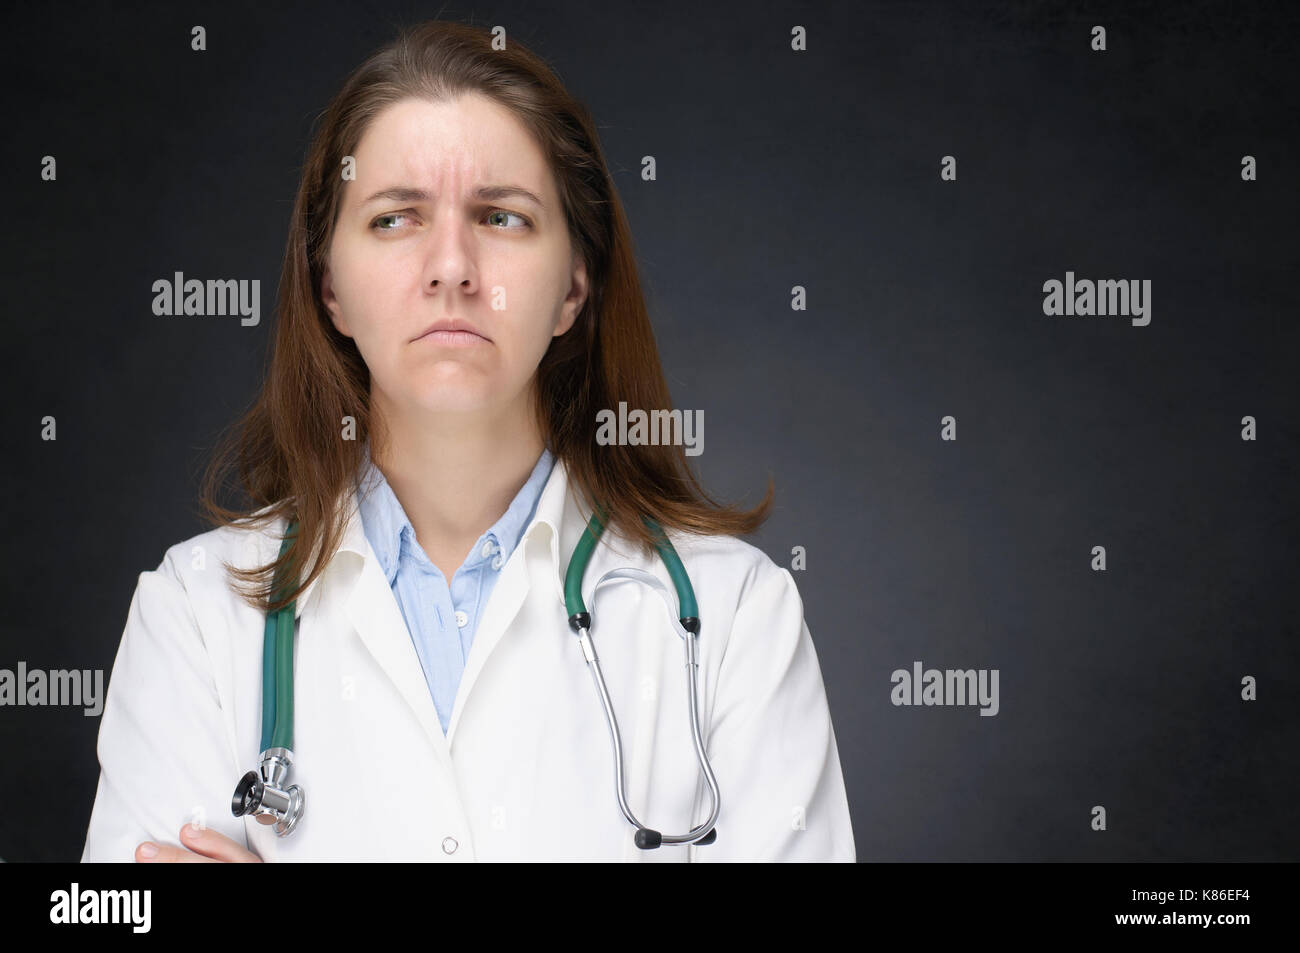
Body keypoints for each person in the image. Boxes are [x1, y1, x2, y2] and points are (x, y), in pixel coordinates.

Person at [80, 19, 855, 862]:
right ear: (328, 286)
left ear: (573, 290)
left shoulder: (738, 617)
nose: (452, 266)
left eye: (502, 217)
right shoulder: (194, 614)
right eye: (394, 219)